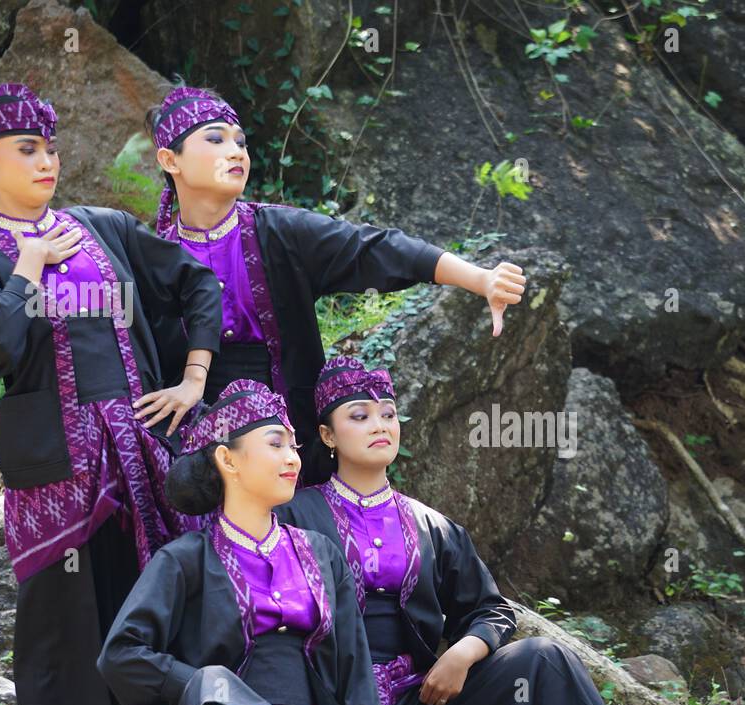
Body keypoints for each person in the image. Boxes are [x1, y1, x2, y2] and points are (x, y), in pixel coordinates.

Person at [97, 379, 571, 705]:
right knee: (219, 686)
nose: (293, 458)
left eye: (294, 446)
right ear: (228, 460)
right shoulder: (185, 560)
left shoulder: (321, 553)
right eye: (276, 445)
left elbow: (355, 668)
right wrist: (202, 688)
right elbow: (122, 654)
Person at [0, 83, 224, 705]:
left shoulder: (101, 228)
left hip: (136, 455)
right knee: (58, 628)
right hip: (54, 470)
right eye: (27, 149)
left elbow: (194, 279)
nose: (46, 160)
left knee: (151, 611)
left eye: (51, 147)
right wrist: (26, 268)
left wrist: (192, 379)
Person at [269, 355, 668, 705]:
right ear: (326, 435)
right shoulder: (295, 515)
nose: (380, 426)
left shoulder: (432, 526)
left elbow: (489, 608)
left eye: (389, 413)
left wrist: (464, 651)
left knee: (544, 658)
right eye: (360, 415)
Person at [145, 83, 526, 469]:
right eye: (215, 139)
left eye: (241, 142)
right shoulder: (150, 257)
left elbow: (374, 249)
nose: (236, 151)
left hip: (294, 444)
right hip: (198, 454)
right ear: (170, 160)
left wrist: (480, 279)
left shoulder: (280, 232)